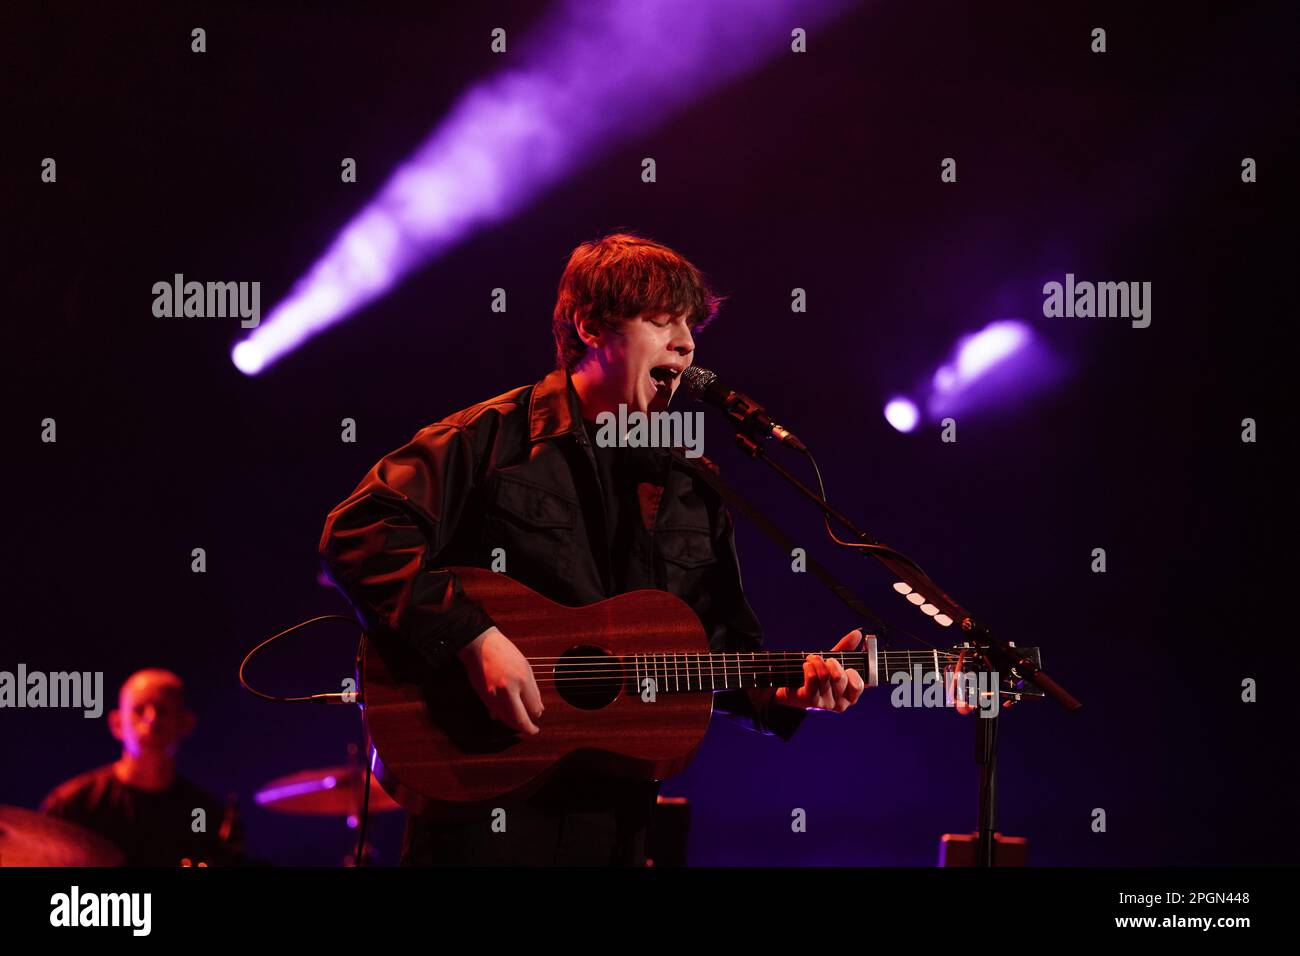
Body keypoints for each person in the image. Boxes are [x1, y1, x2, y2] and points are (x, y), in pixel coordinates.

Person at [318, 232, 864, 865]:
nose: (685, 343)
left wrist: (784, 692)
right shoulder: (490, 438)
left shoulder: (693, 482)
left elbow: (715, 651)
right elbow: (360, 531)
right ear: (590, 326)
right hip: (479, 796)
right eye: (661, 320)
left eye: (689, 325)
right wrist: (474, 637)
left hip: (618, 819)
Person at [40, 668, 244, 866]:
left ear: (186, 723)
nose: (152, 720)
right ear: (117, 724)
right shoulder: (72, 804)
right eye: (139, 709)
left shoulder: (205, 812)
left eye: (162, 710)